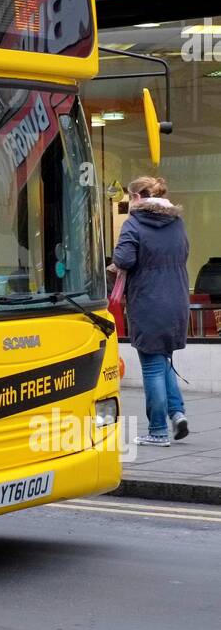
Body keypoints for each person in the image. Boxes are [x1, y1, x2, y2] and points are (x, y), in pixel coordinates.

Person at [111, 175, 189, 446]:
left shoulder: (134, 223)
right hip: (177, 299)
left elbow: (124, 259)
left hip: (149, 301)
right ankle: (177, 413)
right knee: (162, 359)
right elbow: (184, 252)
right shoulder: (176, 222)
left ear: (135, 197)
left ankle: (157, 431)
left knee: (153, 366)